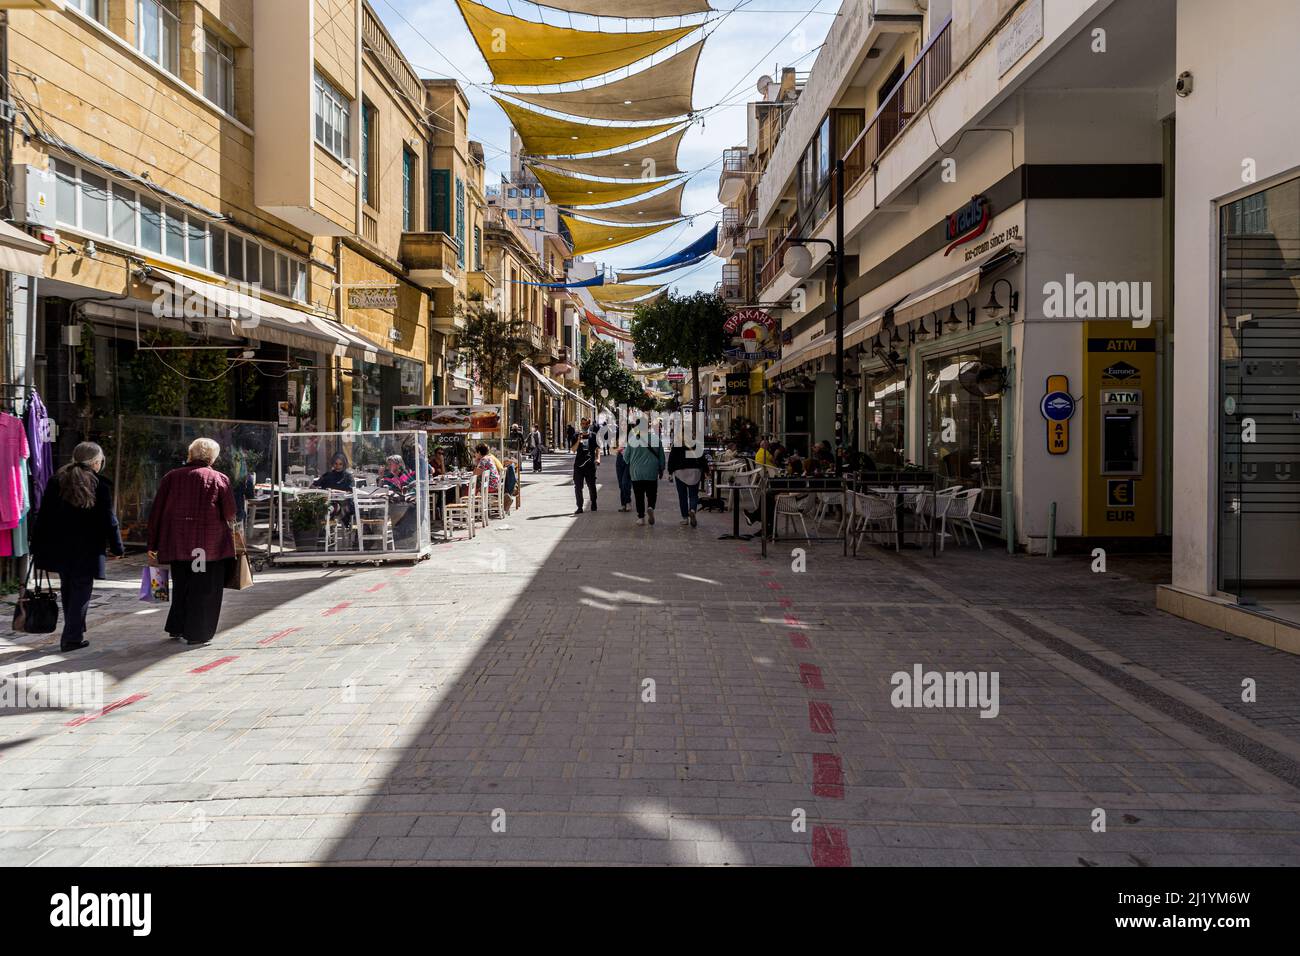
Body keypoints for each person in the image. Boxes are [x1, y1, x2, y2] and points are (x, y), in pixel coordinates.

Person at [29, 442, 124, 653]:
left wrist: (37, 545)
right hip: (87, 550)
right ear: (96, 462)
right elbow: (109, 520)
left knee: (68, 588)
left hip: (59, 547)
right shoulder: (99, 485)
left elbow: (43, 516)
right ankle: (72, 637)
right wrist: (117, 548)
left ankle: (75, 629)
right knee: (81, 591)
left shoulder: (57, 480)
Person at [147, 438, 237, 647]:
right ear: (212, 457)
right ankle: (197, 631)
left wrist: (152, 544)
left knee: (182, 584)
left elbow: (156, 512)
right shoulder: (218, 478)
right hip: (206, 546)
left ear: (191, 454)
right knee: (204, 587)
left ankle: (177, 625)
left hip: (177, 543)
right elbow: (230, 513)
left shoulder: (171, 477)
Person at [622, 422, 664, 526]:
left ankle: (641, 517)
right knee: (652, 493)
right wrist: (661, 469)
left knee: (638, 495)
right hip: (651, 472)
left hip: (636, 473)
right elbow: (662, 457)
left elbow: (625, 458)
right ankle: (650, 507)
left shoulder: (632, 440)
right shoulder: (656, 439)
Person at [668, 439, 709, 527]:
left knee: (682, 496)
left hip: (680, 472)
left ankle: (685, 518)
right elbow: (702, 458)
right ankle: (693, 510)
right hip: (694, 471)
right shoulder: (696, 444)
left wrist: (670, 472)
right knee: (693, 495)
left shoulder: (677, 445)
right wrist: (706, 470)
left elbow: (672, 459)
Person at [570, 417, 599, 514]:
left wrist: (597, 458)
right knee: (578, 487)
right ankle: (579, 507)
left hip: (590, 465)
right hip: (578, 465)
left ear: (589, 425)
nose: (584, 426)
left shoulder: (594, 436)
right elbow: (573, 450)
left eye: (586, 424)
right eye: (582, 424)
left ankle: (593, 502)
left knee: (591, 486)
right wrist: (578, 440)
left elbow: (597, 448)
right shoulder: (576, 435)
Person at [614, 444, 633, 512]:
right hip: (619, 459)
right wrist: (616, 449)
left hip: (629, 460)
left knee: (625, 483)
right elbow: (612, 449)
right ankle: (623, 504)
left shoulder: (633, 434)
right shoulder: (617, 435)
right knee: (621, 484)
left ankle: (628, 502)